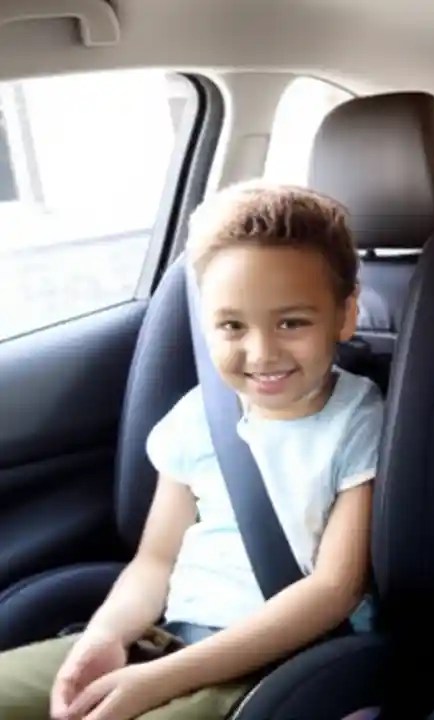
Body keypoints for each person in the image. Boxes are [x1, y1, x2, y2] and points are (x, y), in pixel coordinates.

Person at [0, 182, 384, 720]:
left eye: (292, 322)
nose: (261, 352)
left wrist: (159, 680)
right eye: (232, 326)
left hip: (266, 662)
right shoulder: (200, 415)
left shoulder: (359, 419)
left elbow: (333, 590)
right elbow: (156, 560)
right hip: (162, 641)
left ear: (345, 315)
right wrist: (105, 635)